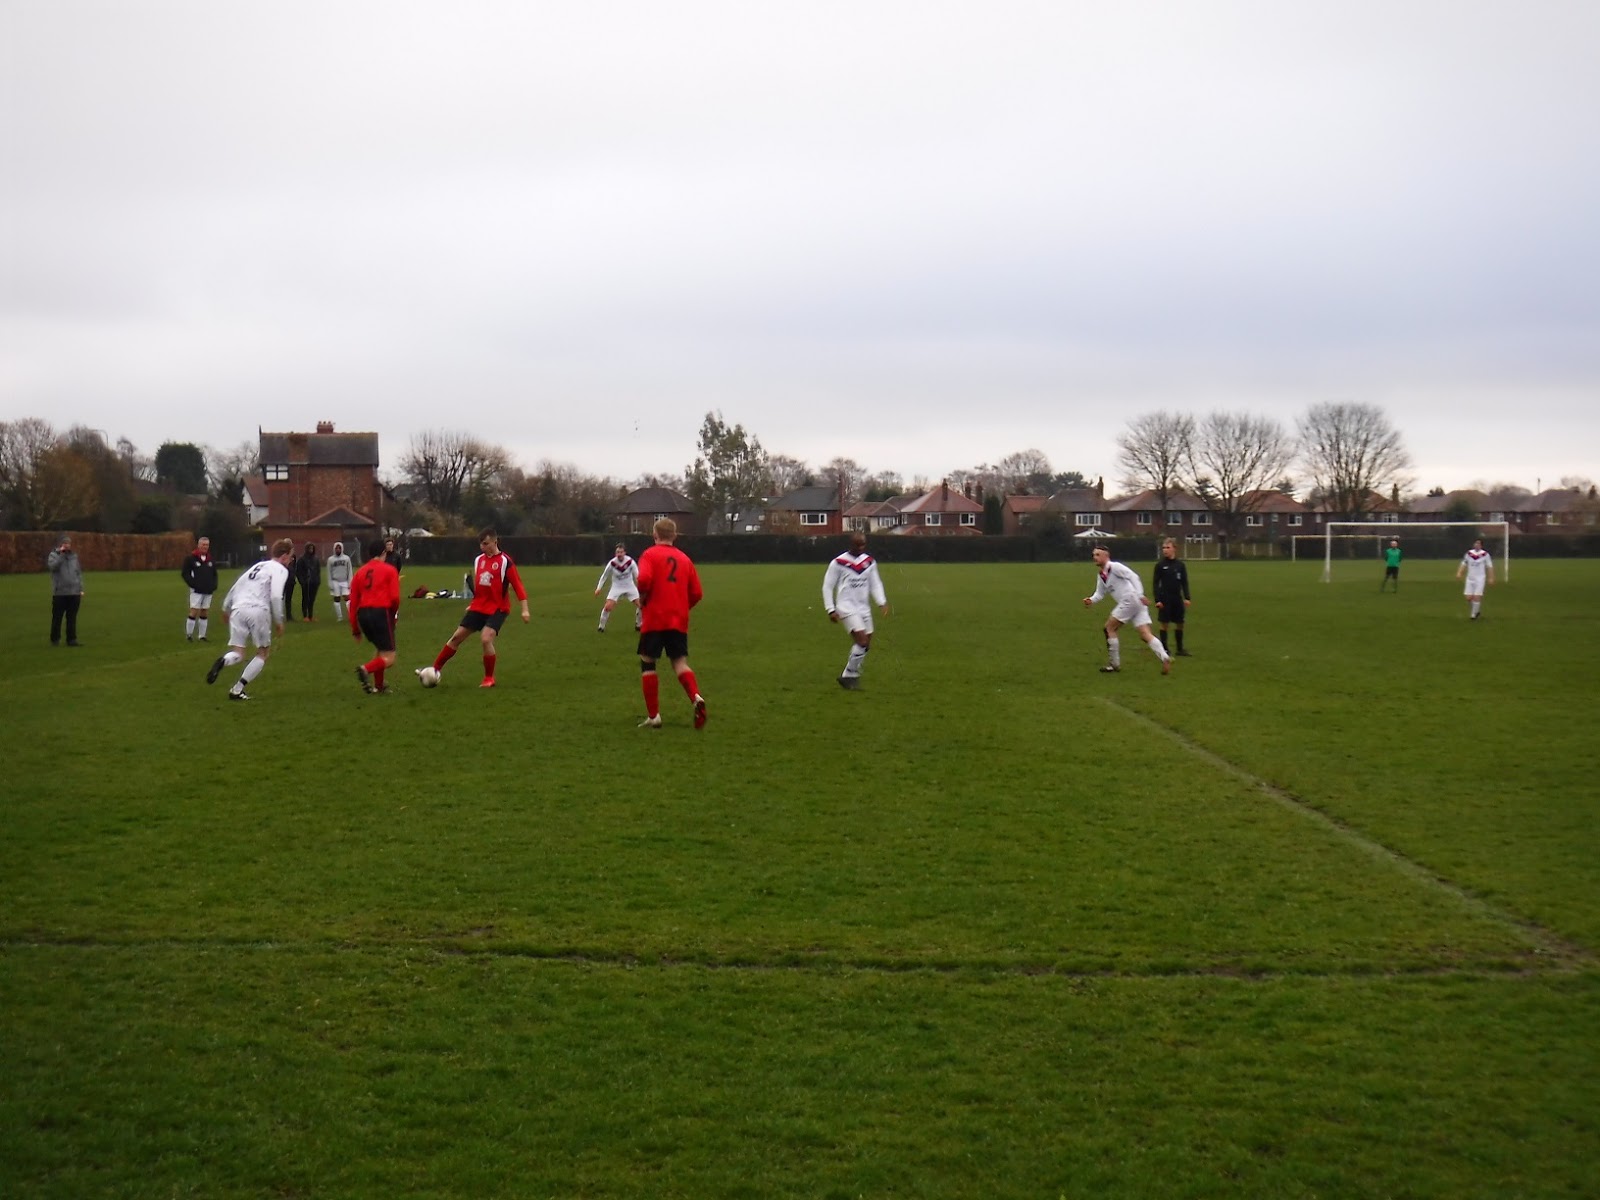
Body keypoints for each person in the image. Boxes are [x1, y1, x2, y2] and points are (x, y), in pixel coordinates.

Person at [421, 529, 529, 689]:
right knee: (456, 638)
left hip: (498, 608)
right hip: (479, 606)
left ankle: (489, 678)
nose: (482, 547)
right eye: (480, 544)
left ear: (495, 541)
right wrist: (474, 603)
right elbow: (481, 587)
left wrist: (524, 609)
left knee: (486, 639)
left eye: (485, 543)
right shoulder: (479, 560)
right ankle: (434, 669)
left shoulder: (506, 562)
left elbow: (518, 585)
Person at [635, 517, 707, 729]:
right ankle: (696, 698)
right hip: (678, 619)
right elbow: (697, 593)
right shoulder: (685, 559)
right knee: (679, 663)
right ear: (674, 536)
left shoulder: (649, 554)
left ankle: (654, 715)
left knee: (648, 661)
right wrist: (682, 608)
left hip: (655, 617)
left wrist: (643, 597)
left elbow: (644, 579)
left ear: (654, 535)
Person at [206, 539, 293, 700]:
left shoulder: (257, 566)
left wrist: (226, 607)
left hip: (238, 609)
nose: (290, 561)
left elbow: (236, 585)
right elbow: (275, 595)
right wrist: (279, 620)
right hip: (258, 610)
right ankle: (237, 690)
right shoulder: (280, 569)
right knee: (263, 653)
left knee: (238, 652)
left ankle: (223, 661)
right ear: (285, 556)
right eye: (290, 558)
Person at [1083, 544, 1171, 675]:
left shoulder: (1115, 567)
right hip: (1137, 602)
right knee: (1144, 634)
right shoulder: (1101, 575)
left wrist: (1140, 594)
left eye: (1097, 555)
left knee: (1109, 628)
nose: (1094, 557)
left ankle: (1114, 664)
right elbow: (1100, 594)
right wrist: (1091, 599)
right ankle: (1165, 657)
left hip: (1130, 599)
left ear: (1106, 556)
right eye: (1094, 555)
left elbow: (1133, 577)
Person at [822, 530, 889, 689]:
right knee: (862, 641)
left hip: (864, 608)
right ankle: (850, 675)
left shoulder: (869, 562)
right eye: (857, 545)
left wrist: (881, 602)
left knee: (866, 645)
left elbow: (875, 583)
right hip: (846, 607)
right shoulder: (838, 562)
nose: (860, 548)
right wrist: (830, 609)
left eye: (863, 544)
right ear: (850, 544)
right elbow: (828, 586)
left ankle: (848, 674)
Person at [350, 537, 402, 693]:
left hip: (363, 614)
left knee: (381, 649)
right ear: (383, 552)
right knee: (390, 657)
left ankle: (379, 686)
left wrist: (355, 629)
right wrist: (393, 616)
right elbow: (395, 598)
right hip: (381, 612)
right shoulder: (390, 570)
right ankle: (365, 669)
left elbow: (353, 603)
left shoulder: (359, 572)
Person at [1150, 537, 1192, 656]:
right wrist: (1157, 599)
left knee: (1180, 622)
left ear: (1174, 548)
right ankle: (1164, 648)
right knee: (1164, 623)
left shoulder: (1180, 565)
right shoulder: (1160, 565)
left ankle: (1180, 649)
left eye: (1168, 547)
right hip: (1165, 599)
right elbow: (1155, 583)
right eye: (1163, 548)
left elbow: (1184, 582)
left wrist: (1187, 597)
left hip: (1177, 599)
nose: (1165, 550)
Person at [594, 542, 642, 633]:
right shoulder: (612, 563)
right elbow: (604, 576)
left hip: (629, 586)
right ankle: (601, 627)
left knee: (641, 605)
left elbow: (637, 575)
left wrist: (641, 584)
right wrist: (598, 588)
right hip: (616, 587)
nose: (619, 554)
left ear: (625, 553)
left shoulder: (630, 562)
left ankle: (638, 624)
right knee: (608, 607)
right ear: (615, 553)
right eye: (617, 552)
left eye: (621, 552)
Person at [47, 534, 85, 647]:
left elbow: (78, 573)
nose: (67, 545)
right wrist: (61, 556)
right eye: (65, 543)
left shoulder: (74, 556)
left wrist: (81, 588)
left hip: (74, 592)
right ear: (60, 545)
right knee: (57, 618)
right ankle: (55, 639)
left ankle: (71, 639)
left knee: (72, 618)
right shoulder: (54, 555)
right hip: (60, 593)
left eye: (68, 543)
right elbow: (53, 567)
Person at [181, 535, 219, 642]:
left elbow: (214, 574)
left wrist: (214, 585)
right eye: (203, 544)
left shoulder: (210, 559)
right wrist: (193, 584)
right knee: (194, 611)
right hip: (196, 590)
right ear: (198, 545)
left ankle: (202, 636)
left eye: (207, 545)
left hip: (208, 590)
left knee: (204, 612)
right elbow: (185, 574)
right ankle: (189, 635)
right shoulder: (191, 558)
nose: (205, 547)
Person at [1455, 538, 1495, 620]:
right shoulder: (1469, 553)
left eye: (1478, 543)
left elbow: (1489, 566)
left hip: (1480, 578)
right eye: (1475, 543)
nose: (1476, 545)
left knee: (1477, 597)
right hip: (1470, 578)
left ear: (1481, 545)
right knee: (1468, 598)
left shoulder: (1485, 555)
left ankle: (1473, 615)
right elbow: (1464, 563)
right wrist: (1459, 573)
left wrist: (1491, 578)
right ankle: (1477, 610)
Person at [325, 541, 354, 623]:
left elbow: (350, 570)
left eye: (339, 548)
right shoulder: (331, 559)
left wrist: (350, 582)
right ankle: (340, 617)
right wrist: (330, 583)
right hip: (335, 581)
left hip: (344, 580)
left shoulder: (346, 558)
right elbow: (329, 572)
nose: (338, 549)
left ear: (342, 549)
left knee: (347, 598)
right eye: (336, 548)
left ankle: (350, 615)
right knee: (336, 598)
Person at [296, 541, 322, 620]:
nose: (311, 550)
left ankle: (311, 615)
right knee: (305, 599)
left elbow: (318, 570)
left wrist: (318, 580)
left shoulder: (316, 559)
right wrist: (302, 582)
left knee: (312, 599)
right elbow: (299, 572)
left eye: (312, 548)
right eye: (309, 548)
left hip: (314, 582)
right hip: (306, 582)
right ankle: (305, 616)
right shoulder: (302, 559)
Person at [282, 546, 299, 620]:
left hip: (291, 580)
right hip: (283, 580)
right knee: (280, 598)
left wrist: (293, 575)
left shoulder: (293, 557)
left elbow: (294, 566)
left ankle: (289, 616)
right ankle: (279, 615)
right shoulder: (282, 556)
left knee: (288, 599)